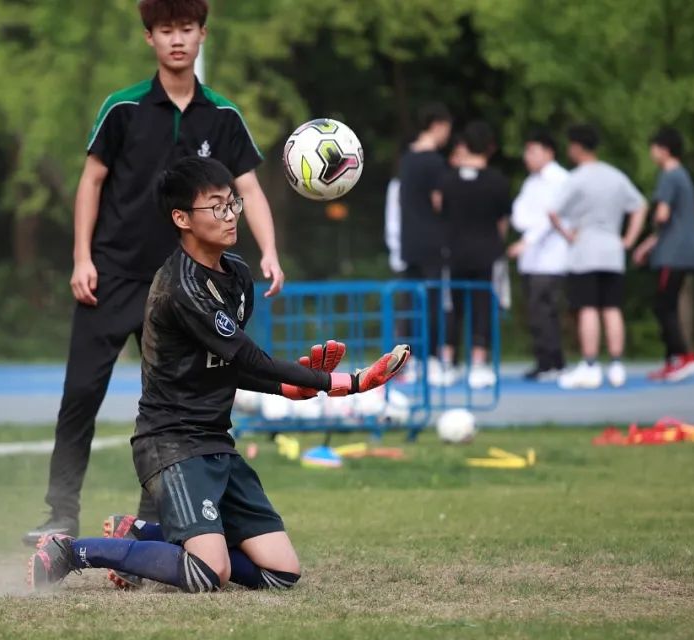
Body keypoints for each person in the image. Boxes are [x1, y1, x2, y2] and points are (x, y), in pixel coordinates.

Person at [27, 156, 409, 593]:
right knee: (209, 572)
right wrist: (347, 383)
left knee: (281, 574)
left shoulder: (237, 276)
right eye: (216, 207)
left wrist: (289, 386)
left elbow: (227, 363)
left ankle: (140, 533)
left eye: (233, 204)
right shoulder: (181, 287)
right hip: (170, 444)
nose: (230, 216)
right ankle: (71, 551)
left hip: (215, 442)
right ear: (181, 218)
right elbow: (246, 356)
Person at [24, 0, 286, 546]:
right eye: (165, 30)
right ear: (150, 38)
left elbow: (250, 190)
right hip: (112, 277)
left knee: (176, 409)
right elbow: (90, 183)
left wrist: (270, 251)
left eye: (186, 29)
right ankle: (60, 515)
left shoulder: (223, 116)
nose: (176, 40)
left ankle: (153, 525)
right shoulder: (121, 109)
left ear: (201, 35)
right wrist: (81, 257)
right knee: (81, 396)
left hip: (182, 290)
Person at [550, 124, 647, 389]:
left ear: (577, 147)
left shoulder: (577, 178)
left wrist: (568, 234)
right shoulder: (615, 176)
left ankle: (590, 364)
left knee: (588, 308)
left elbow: (553, 212)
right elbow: (639, 206)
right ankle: (616, 365)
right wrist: (628, 239)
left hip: (586, 249)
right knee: (612, 308)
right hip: (612, 250)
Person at [433, 121, 509, 390]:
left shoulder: (447, 181)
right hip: (487, 252)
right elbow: (502, 222)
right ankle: (478, 364)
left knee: (451, 307)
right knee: (483, 306)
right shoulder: (498, 182)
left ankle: (447, 362)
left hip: (453, 252)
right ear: (489, 148)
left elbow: (440, 210)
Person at [633, 127, 694, 382]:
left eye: (653, 148)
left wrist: (649, 234)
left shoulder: (670, 176)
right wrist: (647, 246)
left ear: (664, 149)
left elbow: (663, 216)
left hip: (673, 253)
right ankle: (672, 359)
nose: (652, 153)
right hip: (683, 251)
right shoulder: (683, 176)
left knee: (664, 306)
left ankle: (683, 356)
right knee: (667, 304)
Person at [508, 129, 570, 381]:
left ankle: (551, 361)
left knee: (544, 309)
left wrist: (528, 240)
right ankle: (548, 360)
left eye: (533, 151)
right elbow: (519, 214)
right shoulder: (531, 182)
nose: (527, 157)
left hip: (551, 256)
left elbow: (552, 218)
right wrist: (527, 234)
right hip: (531, 257)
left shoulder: (560, 180)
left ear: (549, 153)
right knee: (536, 310)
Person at [397, 103, 452, 382]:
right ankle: (430, 359)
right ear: (438, 125)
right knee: (431, 302)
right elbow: (439, 201)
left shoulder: (407, 159)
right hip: (432, 241)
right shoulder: (434, 161)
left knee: (411, 302)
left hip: (410, 241)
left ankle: (412, 359)